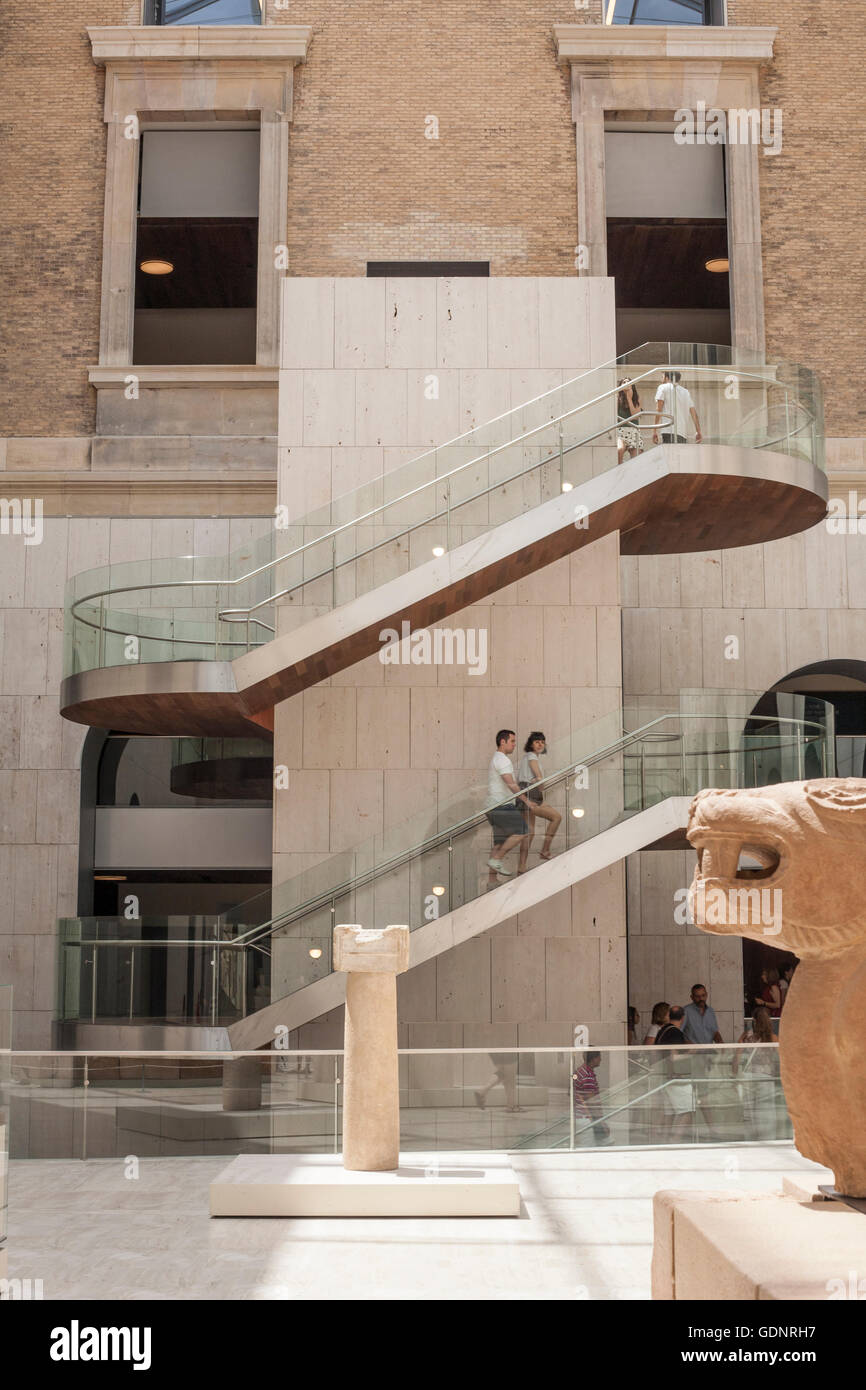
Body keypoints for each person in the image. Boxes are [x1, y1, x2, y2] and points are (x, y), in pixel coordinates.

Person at [485, 729, 530, 885]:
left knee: (499, 843)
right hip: (501, 805)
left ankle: (492, 880)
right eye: (512, 741)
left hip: (492, 806)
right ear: (502, 742)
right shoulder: (502, 760)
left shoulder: (496, 758)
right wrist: (526, 800)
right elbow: (510, 783)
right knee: (523, 831)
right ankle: (497, 859)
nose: (514, 745)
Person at [517, 731, 562, 864]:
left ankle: (521, 866)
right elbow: (539, 777)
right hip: (530, 793)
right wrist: (539, 779)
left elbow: (538, 782)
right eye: (537, 742)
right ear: (531, 744)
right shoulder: (531, 756)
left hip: (525, 792)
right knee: (556, 817)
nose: (540, 744)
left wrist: (539, 783)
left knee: (530, 832)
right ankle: (545, 851)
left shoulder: (527, 757)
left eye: (542, 742)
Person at [654, 1007, 695, 1141]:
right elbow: (674, 1057)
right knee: (687, 1112)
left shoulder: (662, 1031)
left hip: (665, 1078)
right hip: (677, 1079)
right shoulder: (675, 1032)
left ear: (669, 1016)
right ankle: (675, 1140)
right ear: (683, 1018)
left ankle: (664, 1143)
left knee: (669, 1114)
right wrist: (691, 1053)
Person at [652, 371, 702, 445]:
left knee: (669, 452)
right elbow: (693, 413)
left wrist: (654, 430)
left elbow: (658, 410)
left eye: (662, 377)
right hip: (682, 433)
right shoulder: (686, 392)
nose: (661, 380)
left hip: (668, 430)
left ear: (667, 378)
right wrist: (698, 431)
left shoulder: (663, 387)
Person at [572, 1051, 612, 1145]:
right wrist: (602, 1122)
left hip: (581, 1116)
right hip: (586, 1118)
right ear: (593, 1059)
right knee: (590, 1148)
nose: (600, 1059)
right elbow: (591, 1102)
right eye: (599, 1057)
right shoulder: (587, 1075)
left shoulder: (580, 1071)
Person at [617, 379, 644, 464]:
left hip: (634, 431)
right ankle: (619, 469)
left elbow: (635, 416)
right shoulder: (617, 399)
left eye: (628, 382)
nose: (626, 383)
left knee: (637, 459)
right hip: (621, 431)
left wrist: (629, 398)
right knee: (620, 449)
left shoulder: (637, 399)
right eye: (624, 382)